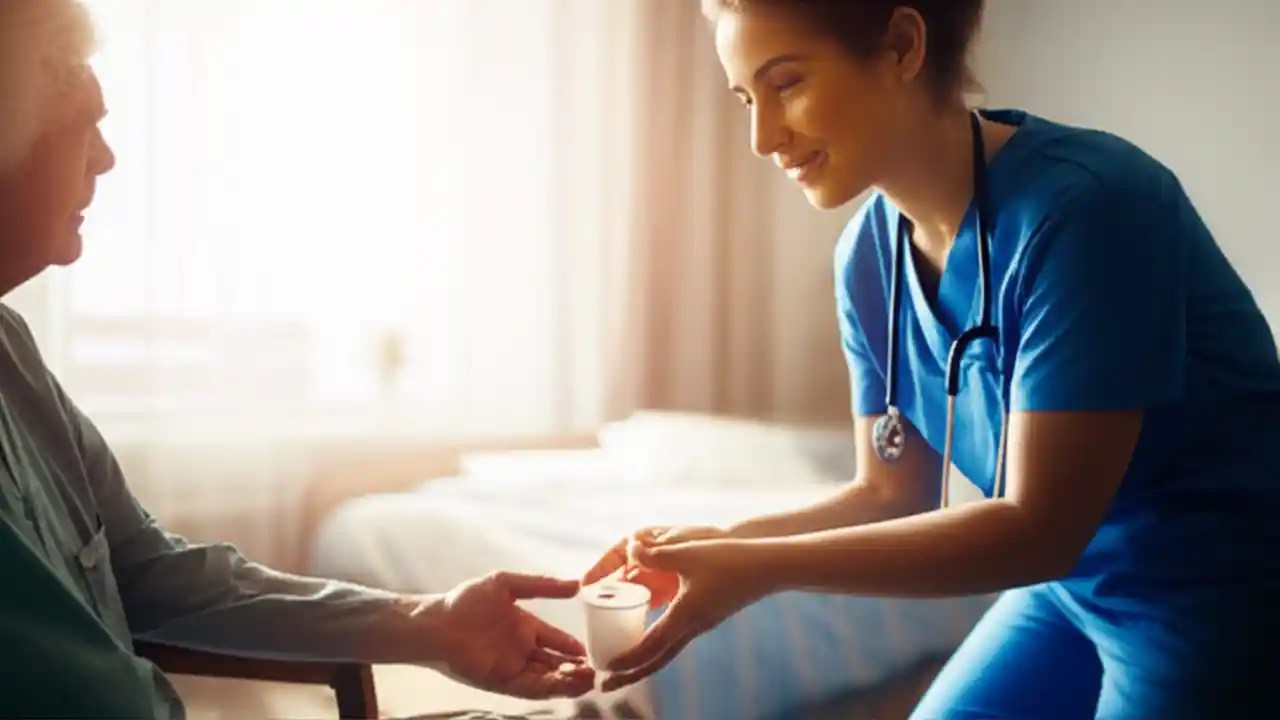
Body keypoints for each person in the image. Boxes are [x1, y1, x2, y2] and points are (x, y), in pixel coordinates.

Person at [585, 1, 1280, 717]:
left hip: (1216, 585)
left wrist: (756, 569)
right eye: (744, 99)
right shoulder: (868, 256)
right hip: (1071, 591)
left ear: (901, 46)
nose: (762, 138)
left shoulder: (1092, 209)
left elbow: (1040, 530)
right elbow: (891, 493)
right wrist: (723, 543)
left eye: (786, 84)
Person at [0, 1, 592, 716]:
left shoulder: (13, 353)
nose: (105, 156)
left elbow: (150, 573)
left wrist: (430, 623)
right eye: (81, 123)